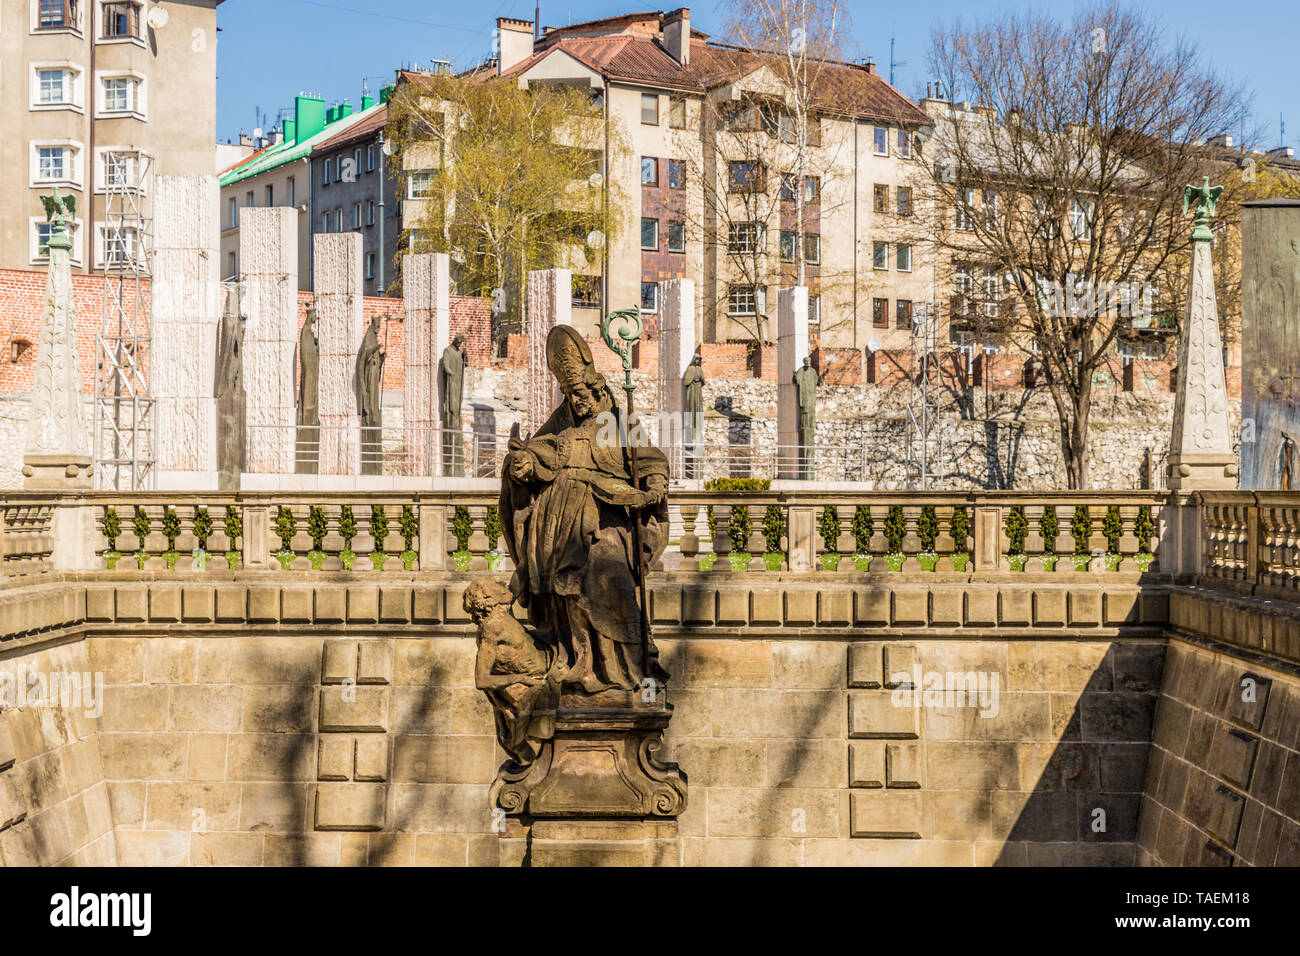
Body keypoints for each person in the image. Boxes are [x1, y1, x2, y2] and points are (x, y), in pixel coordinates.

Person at [499, 326, 669, 693]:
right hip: (560, 521)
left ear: (595, 389)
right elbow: (535, 454)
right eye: (569, 395)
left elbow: (650, 459)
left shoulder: (616, 422)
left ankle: (625, 669)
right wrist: (522, 464)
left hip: (607, 515)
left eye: (580, 393)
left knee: (609, 578)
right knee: (567, 588)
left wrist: (655, 483)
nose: (576, 402)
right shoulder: (562, 423)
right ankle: (579, 662)